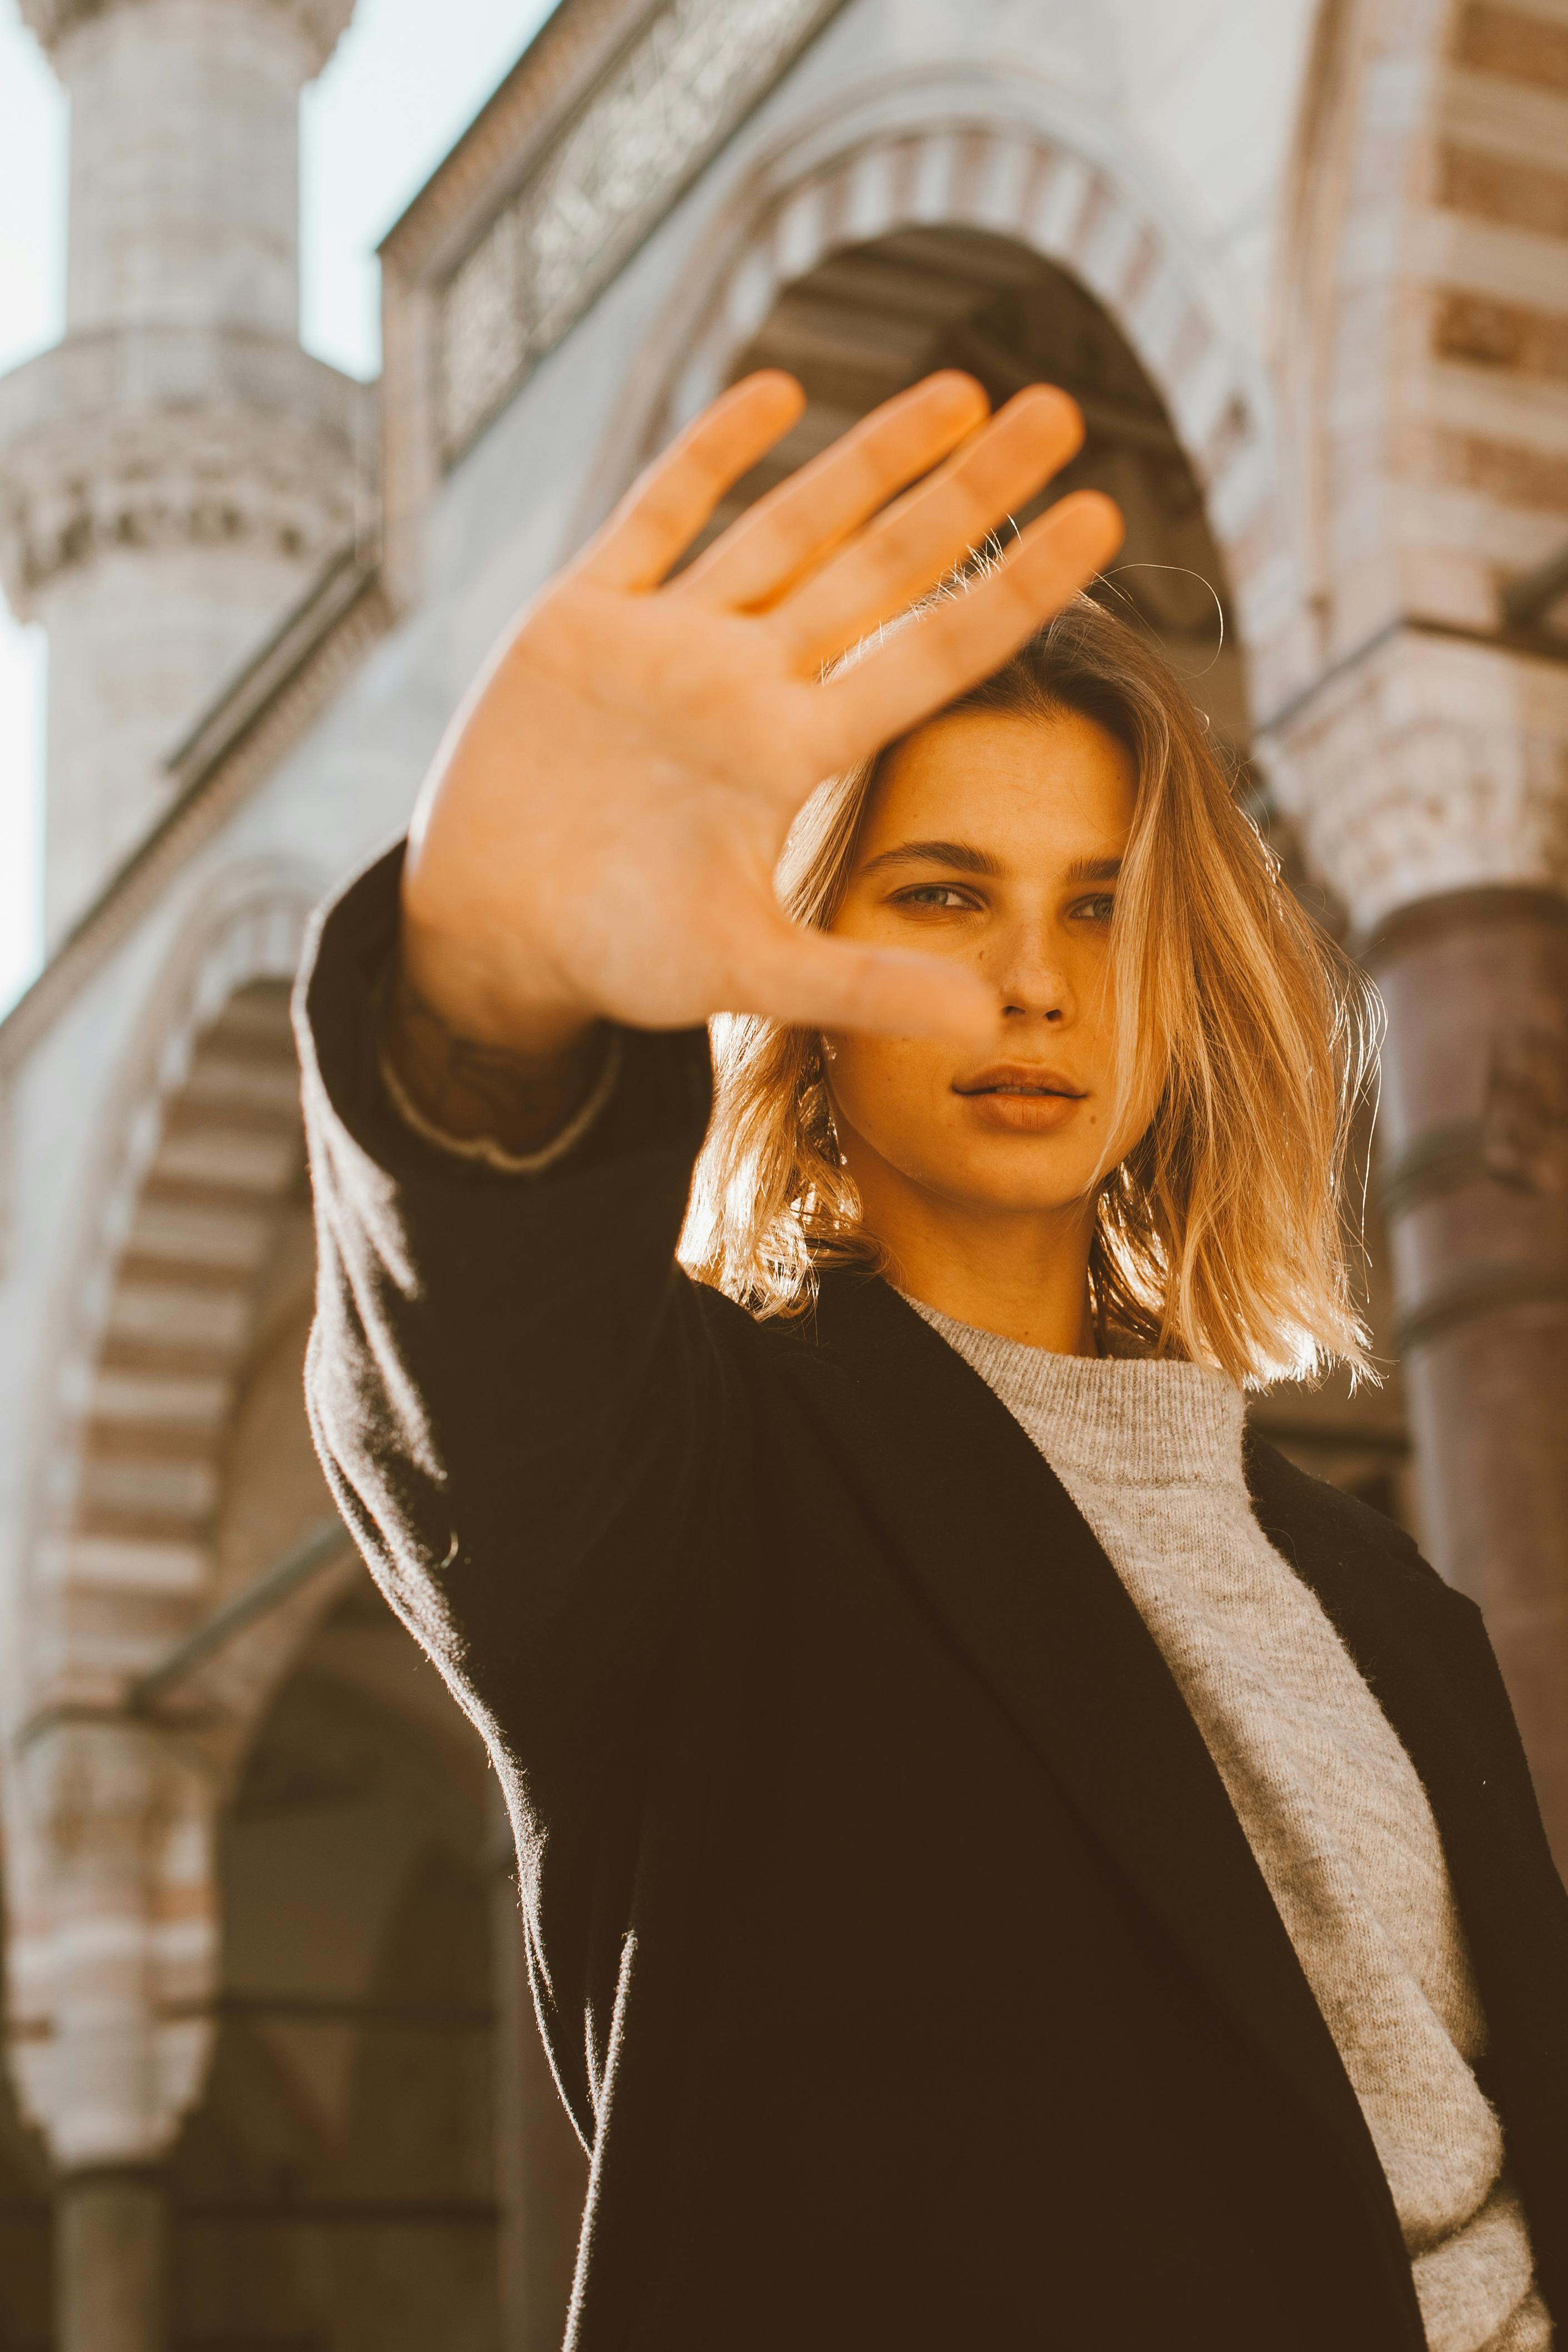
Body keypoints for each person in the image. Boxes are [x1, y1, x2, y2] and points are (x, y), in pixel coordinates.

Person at [297, 369, 1567, 2351]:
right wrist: (492, 980)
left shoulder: (1388, 1604)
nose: (1035, 978)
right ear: (802, 962)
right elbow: (479, 1355)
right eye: (945, 892)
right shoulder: (692, 1500)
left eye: (1102, 905)